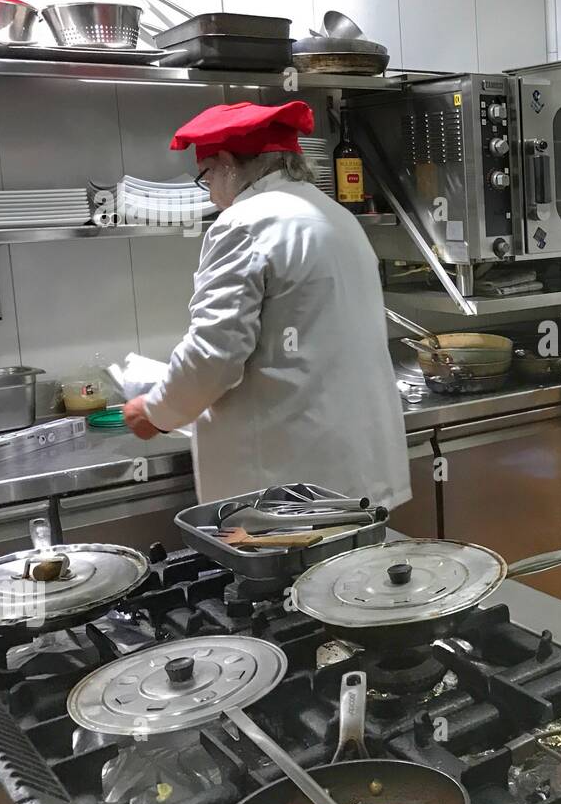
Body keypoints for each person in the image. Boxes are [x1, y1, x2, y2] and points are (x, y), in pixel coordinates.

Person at [123, 100, 410, 508]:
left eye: (206, 177)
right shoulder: (338, 217)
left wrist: (155, 411)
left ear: (225, 161)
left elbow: (214, 356)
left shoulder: (245, 223)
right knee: (350, 573)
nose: (213, 195)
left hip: (289, 490)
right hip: (356, 471)